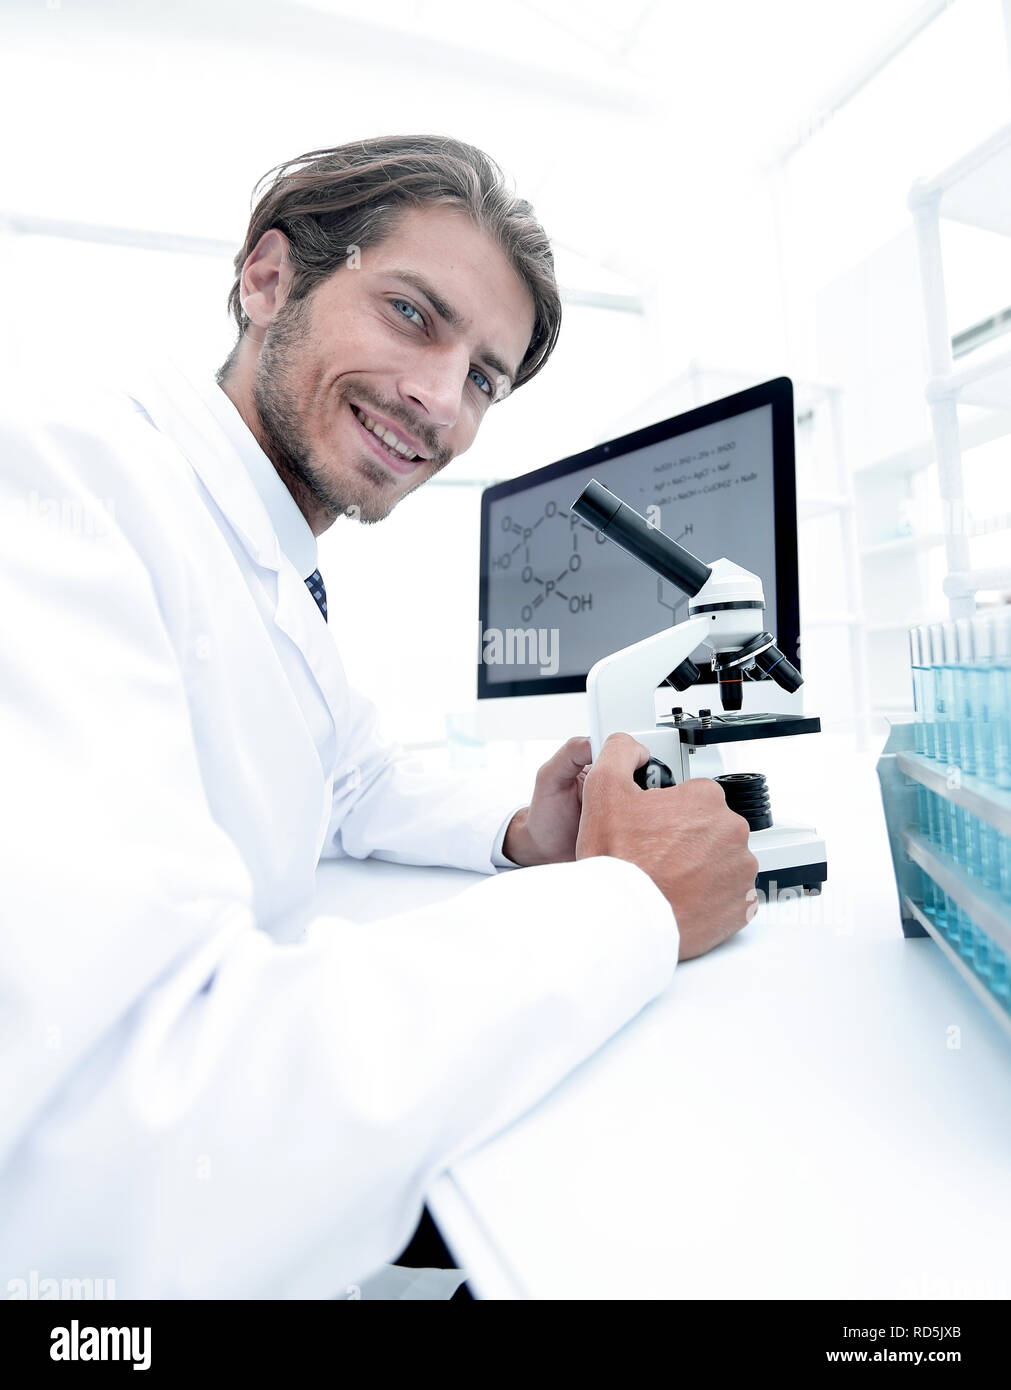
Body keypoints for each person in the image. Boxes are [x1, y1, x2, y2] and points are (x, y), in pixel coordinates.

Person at [0, 135, 757, 1299]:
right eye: (413, 314)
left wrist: (522, 831)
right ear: (267, 280)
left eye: (485, 378)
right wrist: (635, 902)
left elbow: (345, 776)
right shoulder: (63, 483)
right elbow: (140, 1119)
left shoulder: (263, 546)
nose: (441, 403)